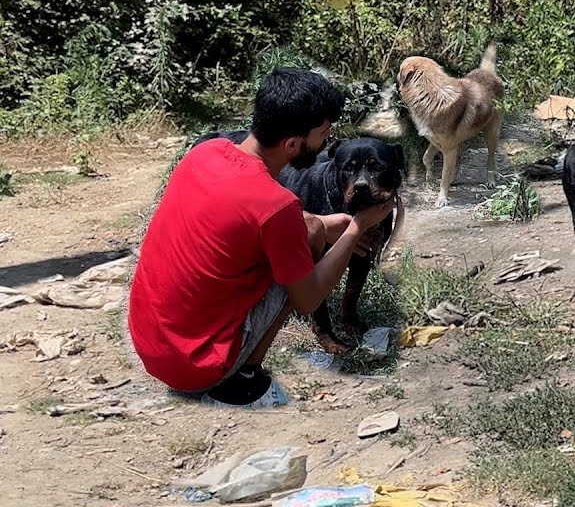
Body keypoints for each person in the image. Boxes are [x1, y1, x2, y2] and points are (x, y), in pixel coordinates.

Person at [127, 68, 394, 407]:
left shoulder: (206, 153)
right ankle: (244, 377)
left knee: (308, 229)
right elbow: (308, 300)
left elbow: (256, 212)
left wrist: (324, 224)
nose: (325, 144)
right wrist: (357, 226)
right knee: (303, 254)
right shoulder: (277, 206)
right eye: (322, 135)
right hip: (197, 367)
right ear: (293, 144)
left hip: (152, 345)